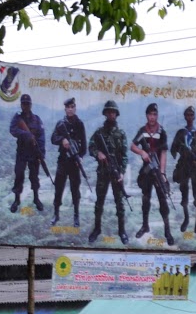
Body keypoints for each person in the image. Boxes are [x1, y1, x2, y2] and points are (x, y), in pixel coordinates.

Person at [130, 102, 174, 245]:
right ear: (147, 115)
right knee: (145, 199)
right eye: (150, 114)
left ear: (157, 115)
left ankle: (167, 230)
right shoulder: (142, 130)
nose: (152, 117)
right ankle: (145, 225)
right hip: (146, 170)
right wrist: (142, 152)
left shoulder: (162, 132)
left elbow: (163, 153)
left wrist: (162, 172)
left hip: (157, 169)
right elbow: (132, 146)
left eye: (155, 114)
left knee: (163, 200)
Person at [87, 100, 130, 245]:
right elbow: (91, 147)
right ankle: (97, 229)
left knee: (120, 203)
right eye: (109, 112)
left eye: (113, 112)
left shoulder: (121, 133)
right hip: (103, 172)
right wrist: (98, 153)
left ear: (116, 114)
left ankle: (122, 231)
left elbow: (124, 155)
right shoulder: (99, 133)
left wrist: (122, 172)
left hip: (116, 171)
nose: (111, 114)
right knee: (99, 202)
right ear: (105, 114)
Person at [170, 106, 196, 234]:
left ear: (194, 117)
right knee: (184, 195)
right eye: (187, 115)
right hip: (184, 167)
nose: (189, 117)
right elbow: (173, 149)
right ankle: (186, 218)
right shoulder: (181, 133)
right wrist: (181, 151)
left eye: (191, 115)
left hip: (195, 168)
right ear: (185, 117)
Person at [50, 96, 86, 227]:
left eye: (72, 107)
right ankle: (56, 214)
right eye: (68, 107)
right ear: (65, 109)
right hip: (63, 161)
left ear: (75, 108)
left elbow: (84, 147)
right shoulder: (61, 124)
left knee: (75, 190)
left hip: (74, 163)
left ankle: (76, 216)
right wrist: (62, 140)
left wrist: (80, 157)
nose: (70, 110)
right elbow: (53, 138)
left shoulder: (79, 124)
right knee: (58, 188)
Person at [8, 93, 46, 214]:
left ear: (30, 105)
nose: (25, 106)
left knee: (34, 177)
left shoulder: (37, 119)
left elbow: (41, 137)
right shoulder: (18, 118)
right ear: (21, 105)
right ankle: (17, 200)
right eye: (23, 104)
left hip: (34, 153)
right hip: (22, 152)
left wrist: (42, 154)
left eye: (27, 104)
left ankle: (36, 198)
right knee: (19, 175)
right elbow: (13, 130)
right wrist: (26, 134)